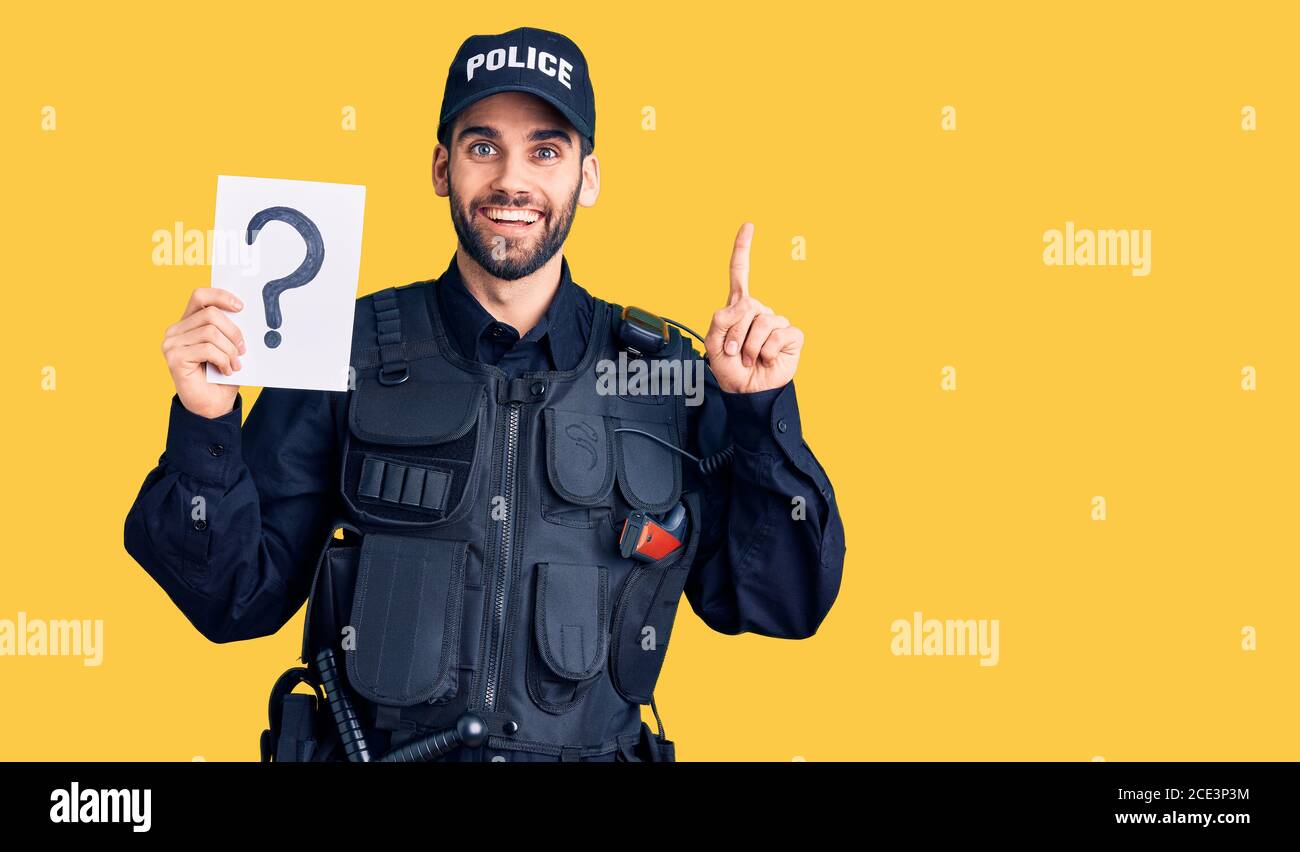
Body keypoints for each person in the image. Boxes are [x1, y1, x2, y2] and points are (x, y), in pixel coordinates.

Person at [124, 26, 845, 762]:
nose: (512, 181)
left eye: (545, 150)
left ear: (586, 178)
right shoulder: (342, 348)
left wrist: (760, 416)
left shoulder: (666, 375)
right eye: (482, 147)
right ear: (442, 167)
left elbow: (778, 604)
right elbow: (233, 600)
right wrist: (205, 420)